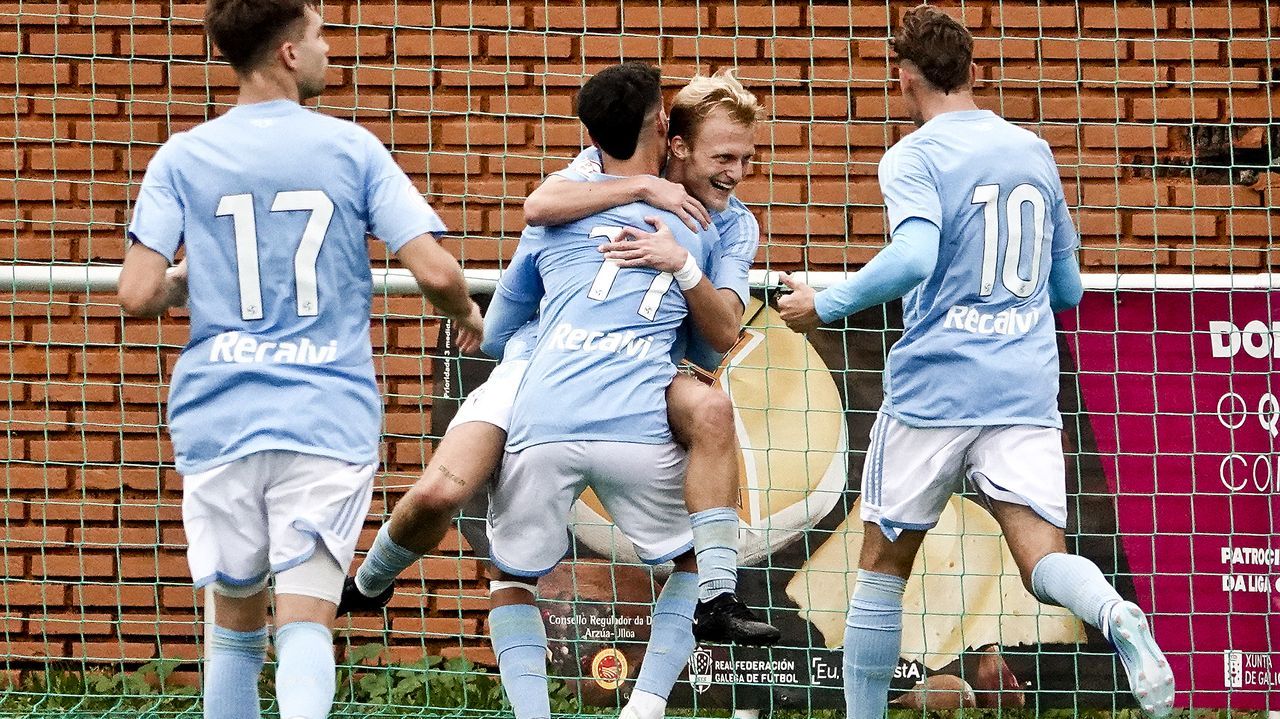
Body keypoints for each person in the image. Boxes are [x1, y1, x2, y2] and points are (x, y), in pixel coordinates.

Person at [776, 6, 1174, 719]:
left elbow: (914, 255)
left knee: (881, 569)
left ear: (905, 77)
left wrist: (825, 302)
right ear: (971, 71)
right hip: (1023, 387)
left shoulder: (913, 156)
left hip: (936, 388)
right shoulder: (1032, 151)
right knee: (1042, 561)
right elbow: (1068, 290)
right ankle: (1113, 611)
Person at [116, 2, 482, 718]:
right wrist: (465, 312)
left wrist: (186, 281)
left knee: (234, 631)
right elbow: (437, 272)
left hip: (219, 416)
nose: (328, 50)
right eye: (319, 36)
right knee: (306, 618)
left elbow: (135, 293)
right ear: (288, 52)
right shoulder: (351, 148)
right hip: (325, 415)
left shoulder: (182, 156)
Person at [340, 72, 779, 645]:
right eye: (724, 157)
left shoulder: (733, 223)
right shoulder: (595, 172)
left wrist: (682, 265)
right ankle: (369, 583)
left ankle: (712, 605)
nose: (737, 173)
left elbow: (719, 334)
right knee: (440, 492)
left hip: (647, 364)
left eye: (747, 159)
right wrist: (644, 188)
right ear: (672, 140)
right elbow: (537, 207)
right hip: (540, 357)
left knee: (712, 412)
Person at [478, 62, 720, 719]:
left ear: (590, 137)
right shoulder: (696, 220)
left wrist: (560, 337)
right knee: (698, 563)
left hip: (545, 421)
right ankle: (646, 705)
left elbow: (497, 331)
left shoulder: (555, 211)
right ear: (663, 126)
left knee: (510, 578)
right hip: (636, 428)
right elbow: (709, 347)